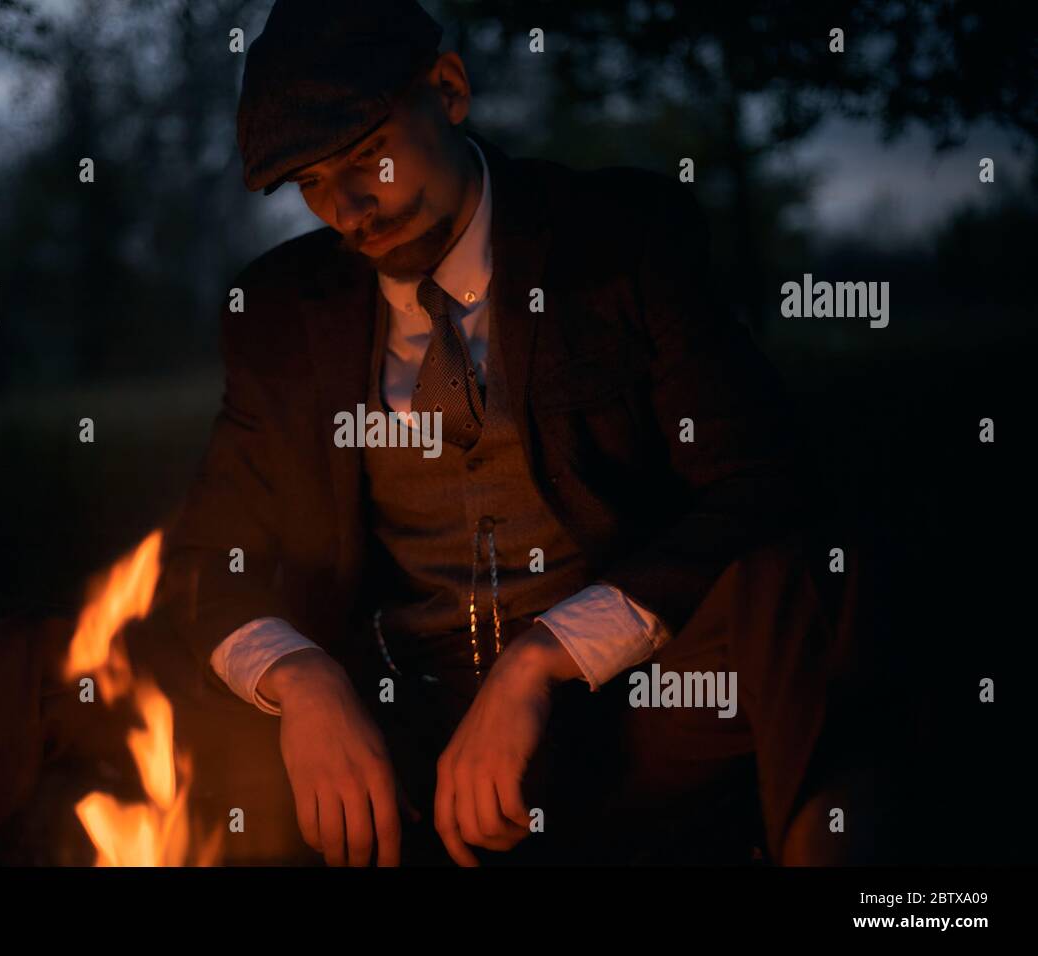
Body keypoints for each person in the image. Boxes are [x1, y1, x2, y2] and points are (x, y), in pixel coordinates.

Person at [161, 0, 878, 867]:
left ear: (450, 89)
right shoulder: (278, 311)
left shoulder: (618, 236)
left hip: (634, 715)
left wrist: (544, 658)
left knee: (801, 576)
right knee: (136, 685)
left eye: (365, 156)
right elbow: (205, 563)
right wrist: (303, 681)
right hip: (397, 735)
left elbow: (762, 480)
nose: (349, 208)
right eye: (310, 183)